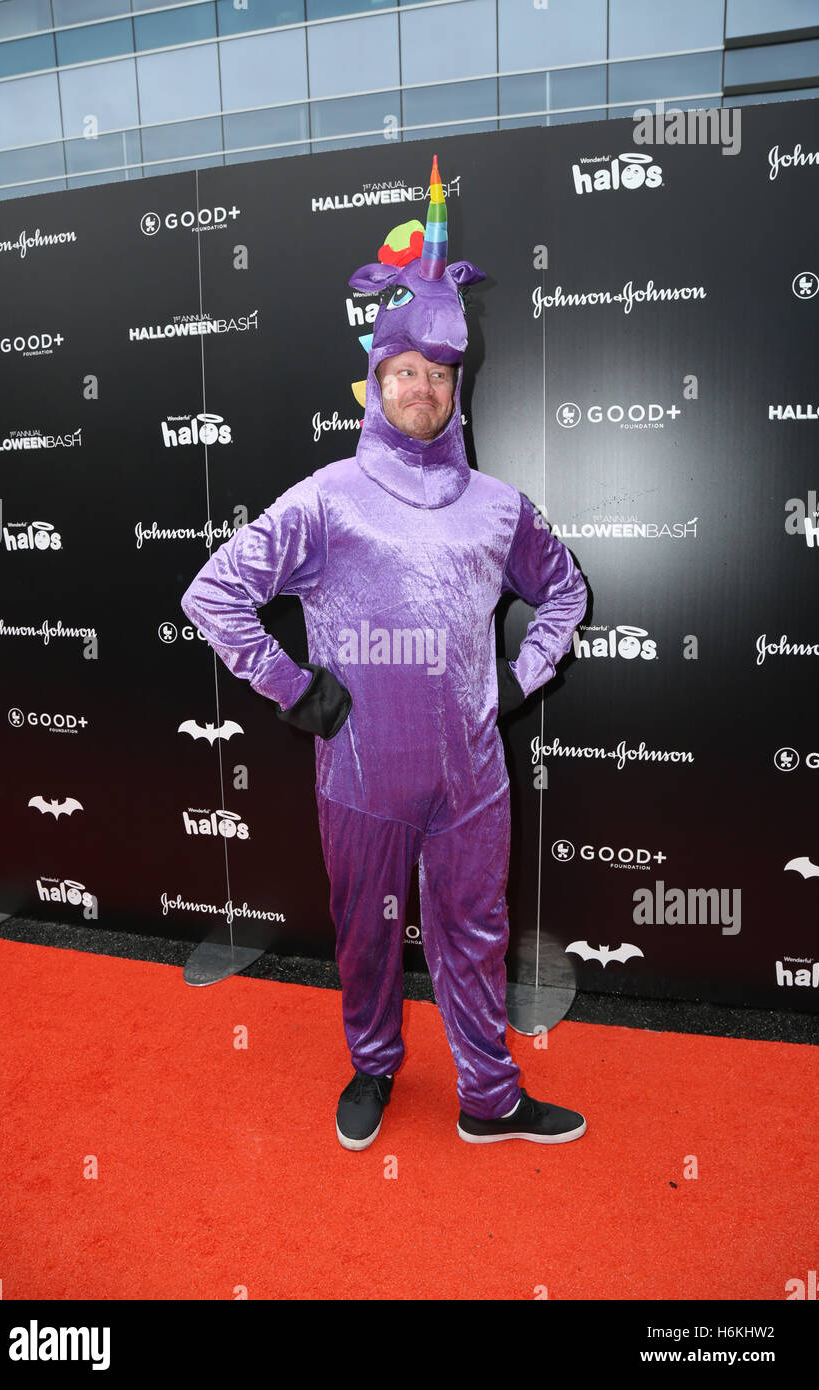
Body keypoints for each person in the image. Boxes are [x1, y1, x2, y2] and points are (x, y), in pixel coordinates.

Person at [181, 156, 589, 1151]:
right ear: (375, 379)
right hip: (359, 778)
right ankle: (371, 1066)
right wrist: (293, 686)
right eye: (403, 372)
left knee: (475, 939)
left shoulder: (498, 509)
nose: (420, 388)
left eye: (438, 374)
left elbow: (564, 592)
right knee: (365, 937)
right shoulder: (326, 497)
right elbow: (213, 593)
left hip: (471, 782)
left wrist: (515, 676)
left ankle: (488, 1098)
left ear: (457, 386)